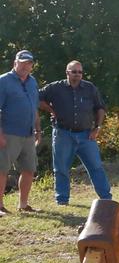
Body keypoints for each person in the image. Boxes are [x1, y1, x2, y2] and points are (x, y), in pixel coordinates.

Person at [39, 61, 112, 206]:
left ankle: (106, 199)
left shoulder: (90, 88)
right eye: (74, 72)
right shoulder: (55, 87)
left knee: (96, 167)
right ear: (67, 72)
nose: (77, 74)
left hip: (86, 135)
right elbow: (37, 98)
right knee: (61, 168)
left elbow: (100, 108)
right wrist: (51, 110)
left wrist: (97, 127)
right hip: (63, 134)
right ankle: (62, 200)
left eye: (80, 72)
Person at [0, 50, 42, 215]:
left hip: (28, 133)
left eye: (29, 63)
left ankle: (23, 205)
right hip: (9, 132)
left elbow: (35, 107)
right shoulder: (3, 81)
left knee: (29, 169)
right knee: (2, 169)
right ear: (15, 63)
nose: (25, 66)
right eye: (22, 62)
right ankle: (0, 206)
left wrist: (38, 129)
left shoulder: (32, 82)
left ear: (32, 65)